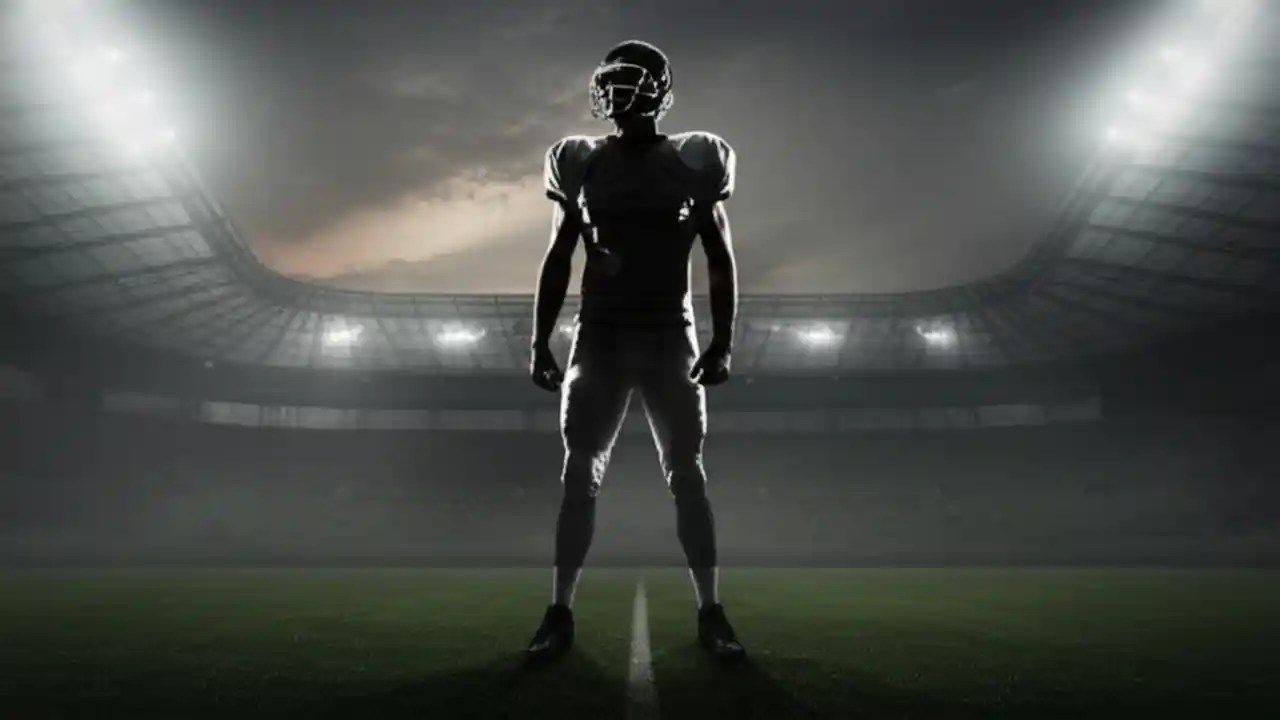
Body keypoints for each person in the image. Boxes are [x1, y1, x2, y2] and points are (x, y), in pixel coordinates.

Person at [525, 39, 745, 663]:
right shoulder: (580, 161)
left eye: (627, 79)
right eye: (609, 79)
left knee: (687, 474)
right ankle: (559, 611)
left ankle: (711, 610)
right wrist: (538, 338)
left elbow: (719, 255)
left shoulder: (694, 157)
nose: (614, 92)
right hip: (600, 330)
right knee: (578, 474)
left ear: (656, 88)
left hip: (669, 331)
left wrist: (723, 338)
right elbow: (559, 255)